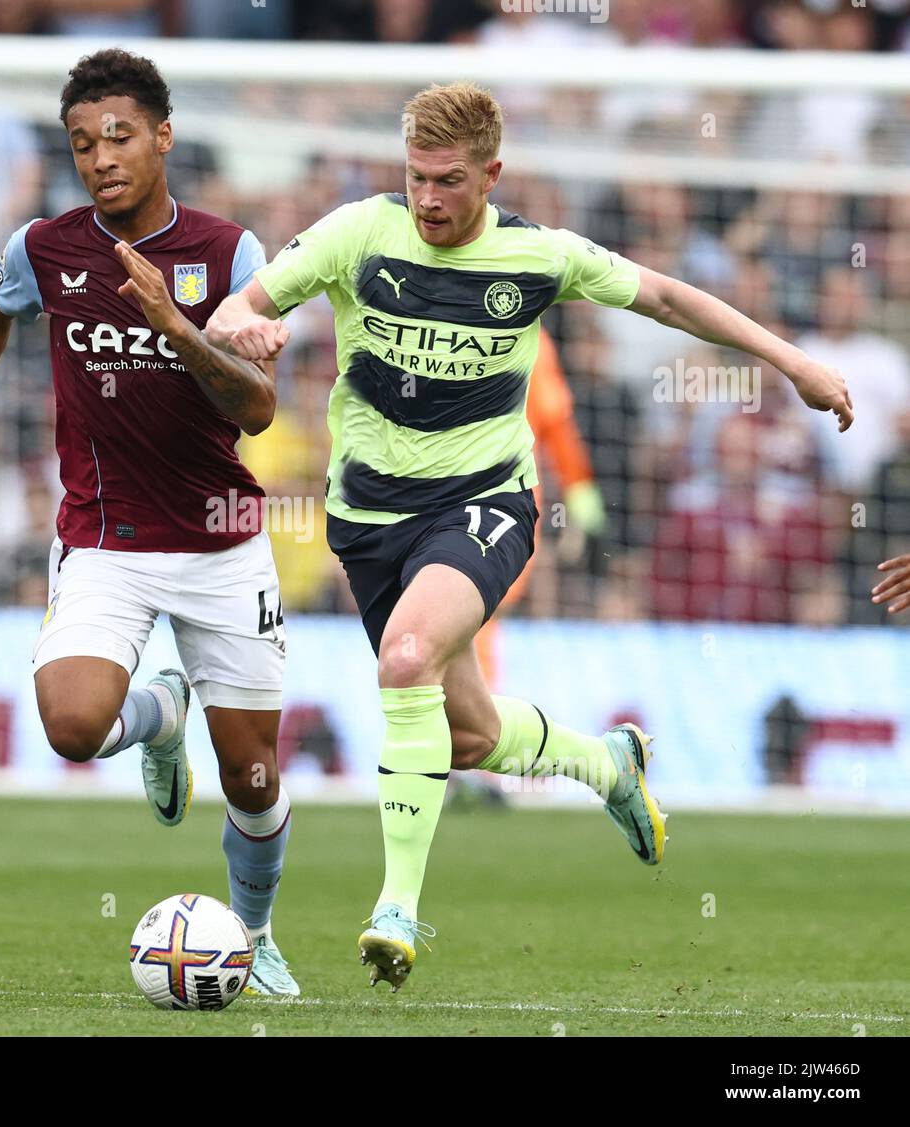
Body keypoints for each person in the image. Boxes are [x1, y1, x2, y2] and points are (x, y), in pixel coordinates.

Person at [207, 81, 853, 991]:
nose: (428, 198)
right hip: (368, 519)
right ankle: (608, 762)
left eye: (448, 181)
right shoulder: (359, 232)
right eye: (416, 177)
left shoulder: (539, 257)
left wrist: (794, 365)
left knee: (404, 659)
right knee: (464, 734)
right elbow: (240, 305)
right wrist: (246, 324)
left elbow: (667, 298)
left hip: (488, 504)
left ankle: (395, 907)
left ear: (491, 174)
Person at [0, 50, 298, 996]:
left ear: (163, 136)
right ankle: (158, 715)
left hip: (221, 542)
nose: (100, 158)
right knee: (75, 726)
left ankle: (254, 939)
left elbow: (257, 411)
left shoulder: (230, 255)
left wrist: (179, 328)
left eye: (120, 137)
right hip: (104, 539)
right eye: (83, 144)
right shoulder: (45, 249)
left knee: (254, 784)